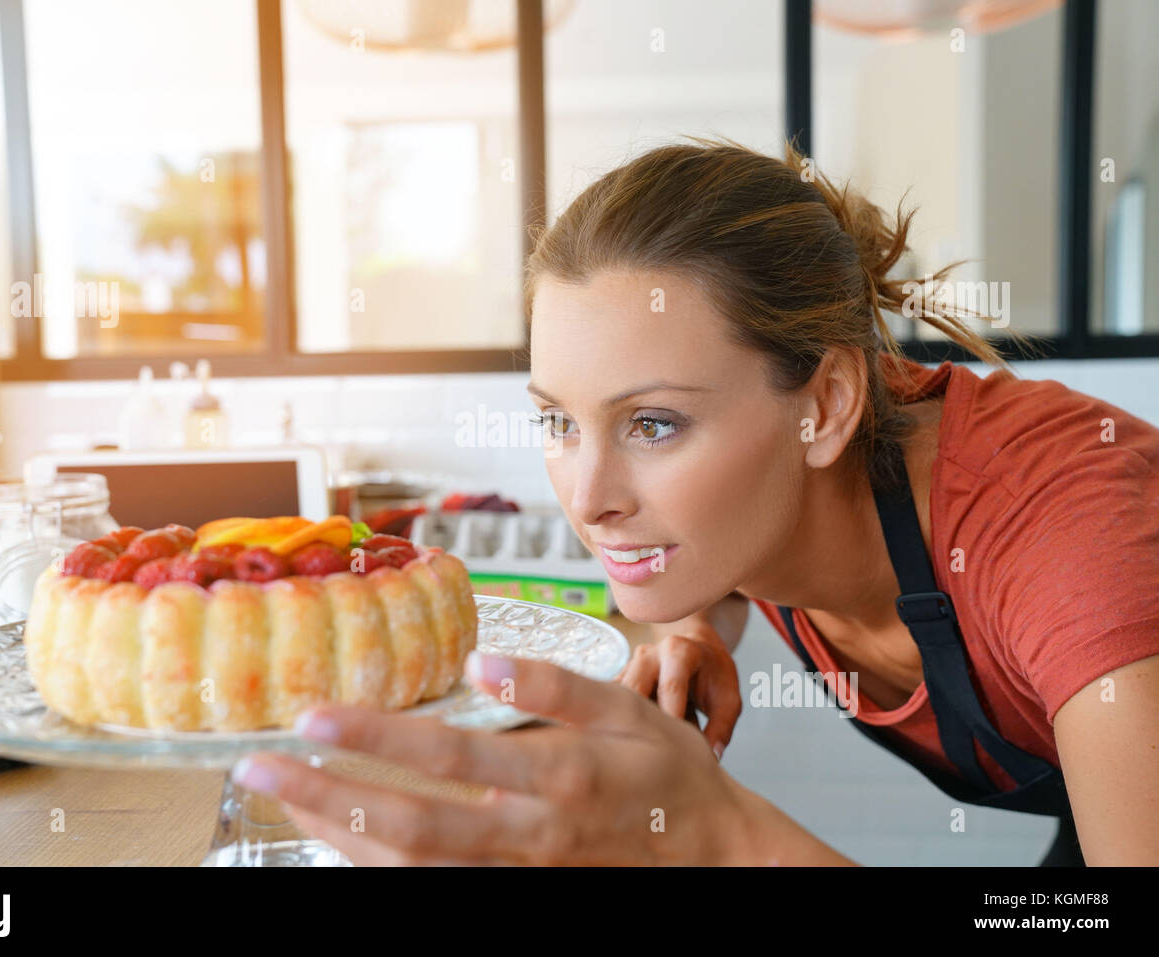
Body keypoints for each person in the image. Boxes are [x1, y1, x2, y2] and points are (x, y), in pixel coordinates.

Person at [231, 136, 1159, 865]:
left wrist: (717, 839)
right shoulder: (769, 488)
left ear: (827, 403)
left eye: (653, 426)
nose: (588, 502)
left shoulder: (1068, 549)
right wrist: (699, 625)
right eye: (559, 423)